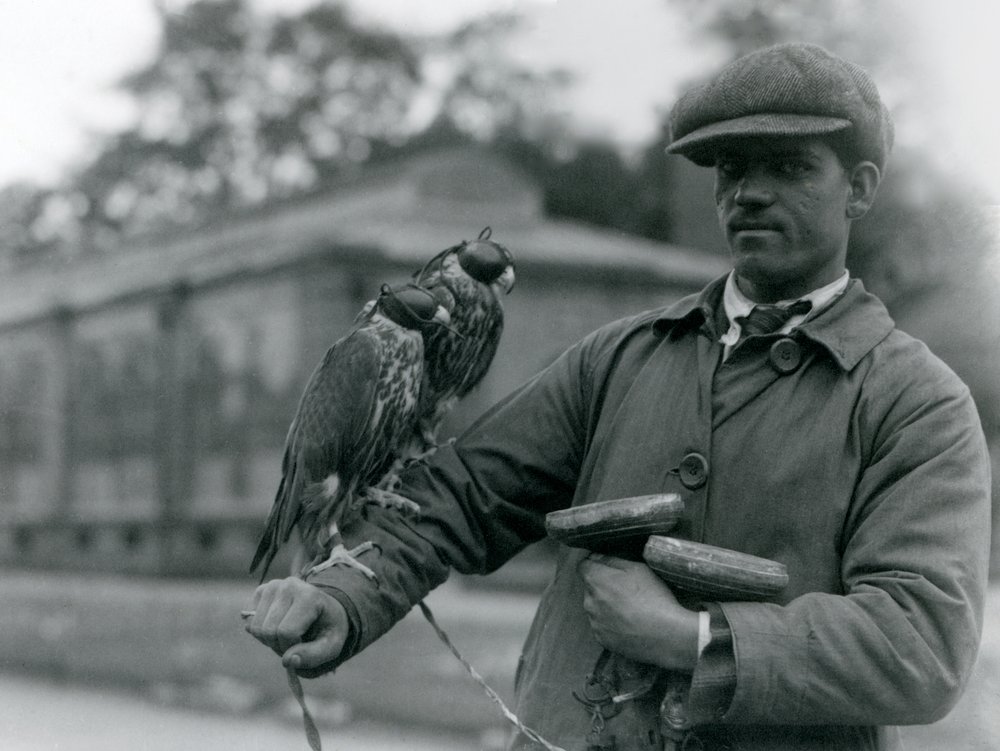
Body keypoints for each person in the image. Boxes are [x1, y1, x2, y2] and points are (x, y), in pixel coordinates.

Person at [244, 43, 991, 751]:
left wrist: (691, 638)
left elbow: (920, 641)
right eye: (731, 168)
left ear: (860, 187)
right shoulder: (619, 358)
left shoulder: (918, 402)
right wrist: (341, 594)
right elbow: (457, 496)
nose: (749, 193)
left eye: (790, 167)